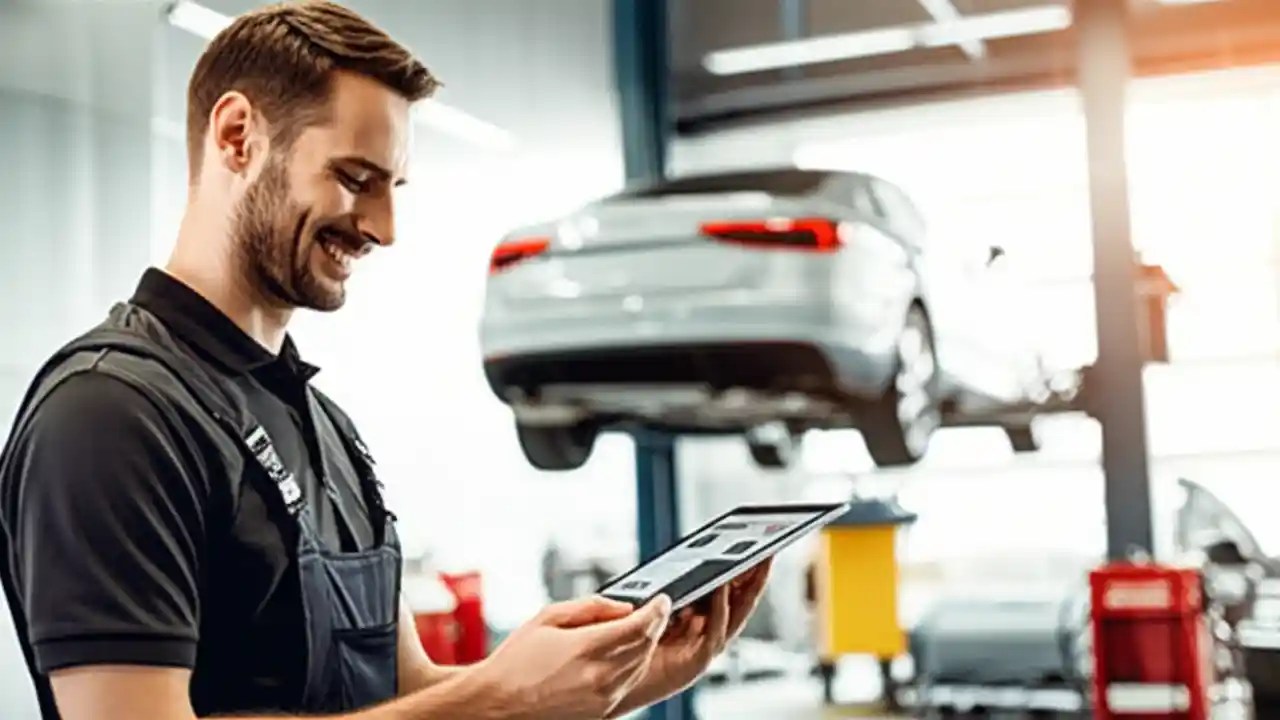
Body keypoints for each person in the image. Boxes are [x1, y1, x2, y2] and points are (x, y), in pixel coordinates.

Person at [0, 2, 772, 719]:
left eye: (393, 187)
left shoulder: (323, 427)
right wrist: (502, 697)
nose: (384, 227)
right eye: (354, 179)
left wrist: (607, 683)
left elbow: (405, 695)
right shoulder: (109, 416)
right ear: (237, 137)